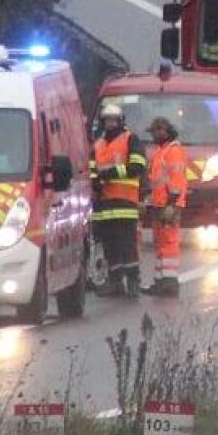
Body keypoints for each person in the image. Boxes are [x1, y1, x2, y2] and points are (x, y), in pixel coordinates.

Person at [90, 104, 146, 298]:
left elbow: (137, 166)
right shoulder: (98, 143)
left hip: (125, 201)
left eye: (113, 120)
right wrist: (95, 180)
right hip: (103, 203)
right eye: (107, 120)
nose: (110, 124)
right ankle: (115, 282)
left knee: (127, 244)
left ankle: (133, 281)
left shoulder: (131, 139)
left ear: (121, 121)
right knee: (109, 245)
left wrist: (113, 172)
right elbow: (91, 166)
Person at [142, 116, 188, 297]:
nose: (153, 135)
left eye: (155, 132)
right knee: (161, 244)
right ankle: (161, 281)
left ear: (164, 131)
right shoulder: (161, 151)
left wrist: (171, 203)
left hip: (169, 204)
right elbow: (156, 181)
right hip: (160, 204)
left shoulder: (172, 151)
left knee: (168, 243)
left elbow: (176, 180)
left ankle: (169, 282)